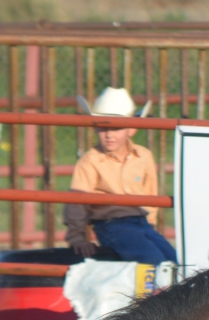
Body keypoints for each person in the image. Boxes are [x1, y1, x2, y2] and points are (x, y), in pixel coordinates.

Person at [64, 87, 176, 266]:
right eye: (103, 128)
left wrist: (150, 226)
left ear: (131, 129)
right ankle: (155, 293)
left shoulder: (143, 156)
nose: (109, 134)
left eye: (116, 128)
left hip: (142, 224)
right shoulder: (90, 161)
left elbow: (150, 197)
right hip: (111, 224)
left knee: (174, 260)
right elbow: (77, 202)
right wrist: (77, 238)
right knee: (152, 261)